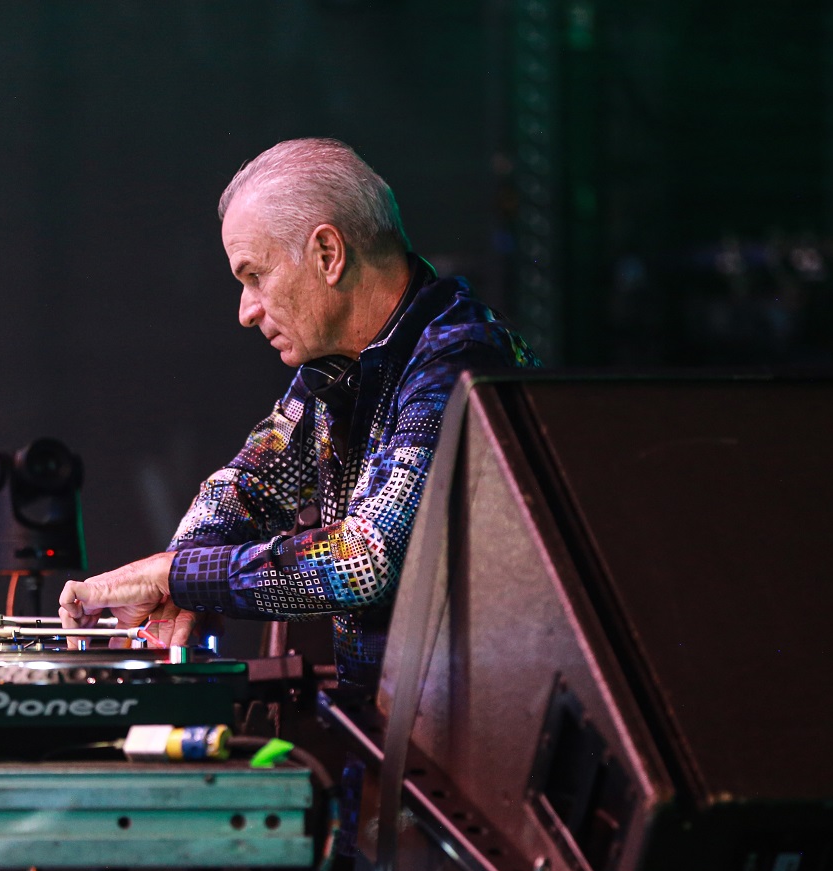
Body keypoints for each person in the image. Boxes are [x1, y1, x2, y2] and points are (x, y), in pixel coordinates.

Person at [59, 138, 538, 690]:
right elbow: (246, 488)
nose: (246, 311)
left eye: (254, 276)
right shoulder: (339, 366)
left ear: (328, 255)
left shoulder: (458, 357)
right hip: (404, 736)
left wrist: (174, 576)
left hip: (480, 748)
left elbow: (364, 561)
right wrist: (174, 585)